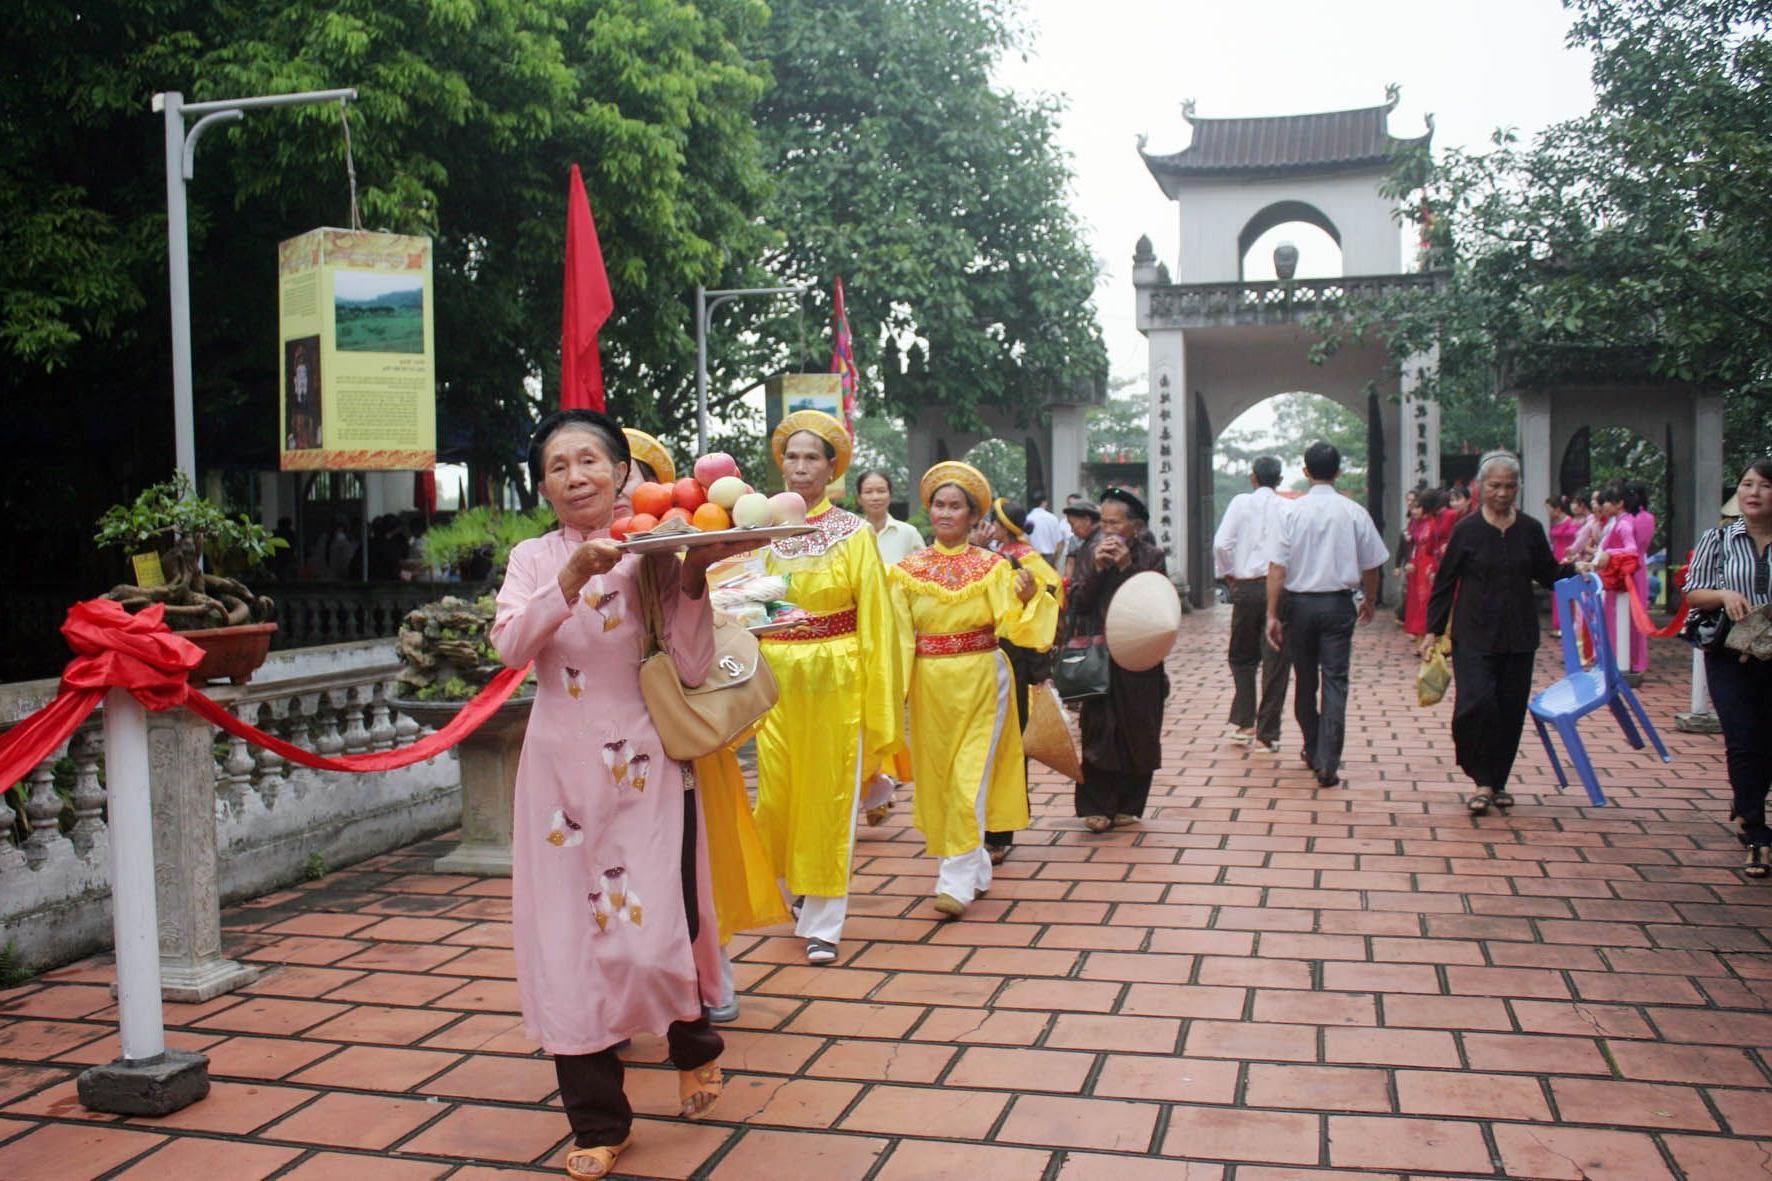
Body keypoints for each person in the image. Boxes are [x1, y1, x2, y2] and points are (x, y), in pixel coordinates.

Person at [490, 409, 757, 1179]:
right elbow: (510, 647)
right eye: (557, 466)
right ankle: (599, 1120)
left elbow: (697, 666)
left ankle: (692, 1037)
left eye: (590, 462)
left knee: (651, 932)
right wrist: (568, 581)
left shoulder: (653, 550)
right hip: (556, 779)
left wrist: (695, 575)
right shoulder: (532, 557)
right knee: (567, 947)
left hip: (644, 764)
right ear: (542, 485)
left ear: (621, 473)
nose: (575, 477)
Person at [617, 427, 788, 1024]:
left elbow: (693, 661)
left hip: (680, 731)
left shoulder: (679, 550)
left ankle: (708, 974)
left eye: (626, 475)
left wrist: (689, 579)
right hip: (605, 744)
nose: (614, 488)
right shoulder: (563, 558)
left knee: (695, 863)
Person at [754, 410, 902, 965]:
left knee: (830, 793)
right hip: (775, 676)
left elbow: (877, 618)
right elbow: (741, 600)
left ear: (831, 467)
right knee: (778, 792)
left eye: (812, 457)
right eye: (792, 456)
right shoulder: (760, 525)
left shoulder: (853, 532)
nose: (800, 467)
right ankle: (798, 885)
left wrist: (877, 693)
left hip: (836, 675)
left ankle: (824, 919)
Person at [889, 464, 1056, 915]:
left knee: (970, 774)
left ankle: (955, 880)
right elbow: (898, 635)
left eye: (955, 506)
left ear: (972, 516)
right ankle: (977, 865)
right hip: (927, 683)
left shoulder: (993, 567)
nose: (945, 513)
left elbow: (1018, 627)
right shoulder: (905, 572)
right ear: (929, 511)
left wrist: (1024, 598)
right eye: (939, 505)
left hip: (983, 676)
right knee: (939, 774)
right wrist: (894, 691)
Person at [1420, 452, 1577, 815]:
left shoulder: (1530, 529)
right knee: (1475, 704)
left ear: (1517, 488)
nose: (1503, 493)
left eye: (1509, 486)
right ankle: (1480, 777)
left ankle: (1496, 782)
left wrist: (1577, 570)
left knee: (1508, 710)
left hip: (1519, 636)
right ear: (1480, 487)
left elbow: (1547, 573)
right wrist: (1432, 630)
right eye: (1495, 486)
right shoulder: (1467, 529)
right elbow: (1445, 582)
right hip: (1473, 635)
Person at [1265, 442, 1390, 788]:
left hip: (1299, 606)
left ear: (1305, 472)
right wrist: (1370, 599)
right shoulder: (1353, 512)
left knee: (1305, 680)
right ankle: (1329, 760)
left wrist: (1271, 614)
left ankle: (1312, 747)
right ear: (1338, 471)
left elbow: (1277, 567)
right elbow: (1372, 564)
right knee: (1335, 681)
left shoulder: (1290, 512)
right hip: (1338, 606)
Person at [1683, 458, 1772, 879]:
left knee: (1766, 738)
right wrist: (1722, 594)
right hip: (1728, 655)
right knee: (1742, 735)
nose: (1753, 492)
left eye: (1765, 485)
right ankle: (1755, 830)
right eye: (1746, 484)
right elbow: (1693, 594)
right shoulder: (1718, 538)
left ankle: (1746, 794)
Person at [1072, 487, 1170, 831]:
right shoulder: (1089, 551)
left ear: (1136, 527)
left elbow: (1155, 602)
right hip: (1100, 651)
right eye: (1104, 522)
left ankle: (1129, 804)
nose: (1108, 530)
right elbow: (1079, 602)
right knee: (1098, 728)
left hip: (1140, 656)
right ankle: (1096, 806)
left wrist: (1127, 567)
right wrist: (1098, 570)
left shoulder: (1152, 556)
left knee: (1138, 727)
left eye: (1115, 523)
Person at [981, 497, 1064, 861]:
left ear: (1002, 525)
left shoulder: (1020, 558)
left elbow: (1050, 596)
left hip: (1011, 658)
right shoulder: (996, 554)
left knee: (1006, 743)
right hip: (982, 659)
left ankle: (999, 831)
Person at [1212, 456, 1292, 751]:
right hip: (1280, 589)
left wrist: (1228, 575)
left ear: (1252, 478)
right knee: (1276, 661)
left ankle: (1245, 723)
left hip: (1245, 588)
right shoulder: (1289, 507)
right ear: (1280, 480)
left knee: (1242, 657)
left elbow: (1221, 544)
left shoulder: (1240, 503)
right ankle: (1268, 733)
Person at [1592, 484, 1649, 675]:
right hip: (1622, 573)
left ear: (1619, 504)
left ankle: (1625, 661)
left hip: (1624, 574)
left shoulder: (1624, 523)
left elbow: (1631, 549)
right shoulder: (1622, 521)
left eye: (1606, 501)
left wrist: (1608, 553)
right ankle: (1623, 660)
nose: (1603, 505)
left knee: (1624, 618)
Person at [855, 470, 925, 567]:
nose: (875, 497)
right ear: (859, 498)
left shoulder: (909, 533)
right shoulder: (851, 536)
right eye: (868, 492)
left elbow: (923, 573)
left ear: (890, 496)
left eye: (881, 491)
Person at [1401, 488, 1444, 637]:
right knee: (1418, 597)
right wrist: (1411, 560)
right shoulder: (1420, 523)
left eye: (1418, 507)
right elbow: (1415, 545)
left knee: (1426, 597)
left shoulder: (1434, 523)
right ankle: (1420, 631)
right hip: (1419, 561)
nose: (1413, 510)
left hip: (1429, 561)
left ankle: (1428, 632)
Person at [1546, 495, 1580, 638]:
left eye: (1549, 509)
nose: (1548, 513)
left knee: (1568, 591)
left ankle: (1569, 623)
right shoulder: (1557, 522)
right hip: (1557, 557)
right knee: (1557, 591)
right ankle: (1558, 624)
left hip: (1567, 557)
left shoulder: (1571, 523)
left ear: (1558, 509)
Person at [1060, 499, 1101, 592]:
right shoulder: (1089, 542)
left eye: (1072, 524)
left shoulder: (1095, 545)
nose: (1071, 530)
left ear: (1087, 520)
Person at [1022, 494, 1068, 566]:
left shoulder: (1028, 519)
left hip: (1034, 559)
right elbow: (1059, 542)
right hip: (1050, 558)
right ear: (1044, 502)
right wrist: (1055, 560)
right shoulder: (1053, 518)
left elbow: (1024, 541)